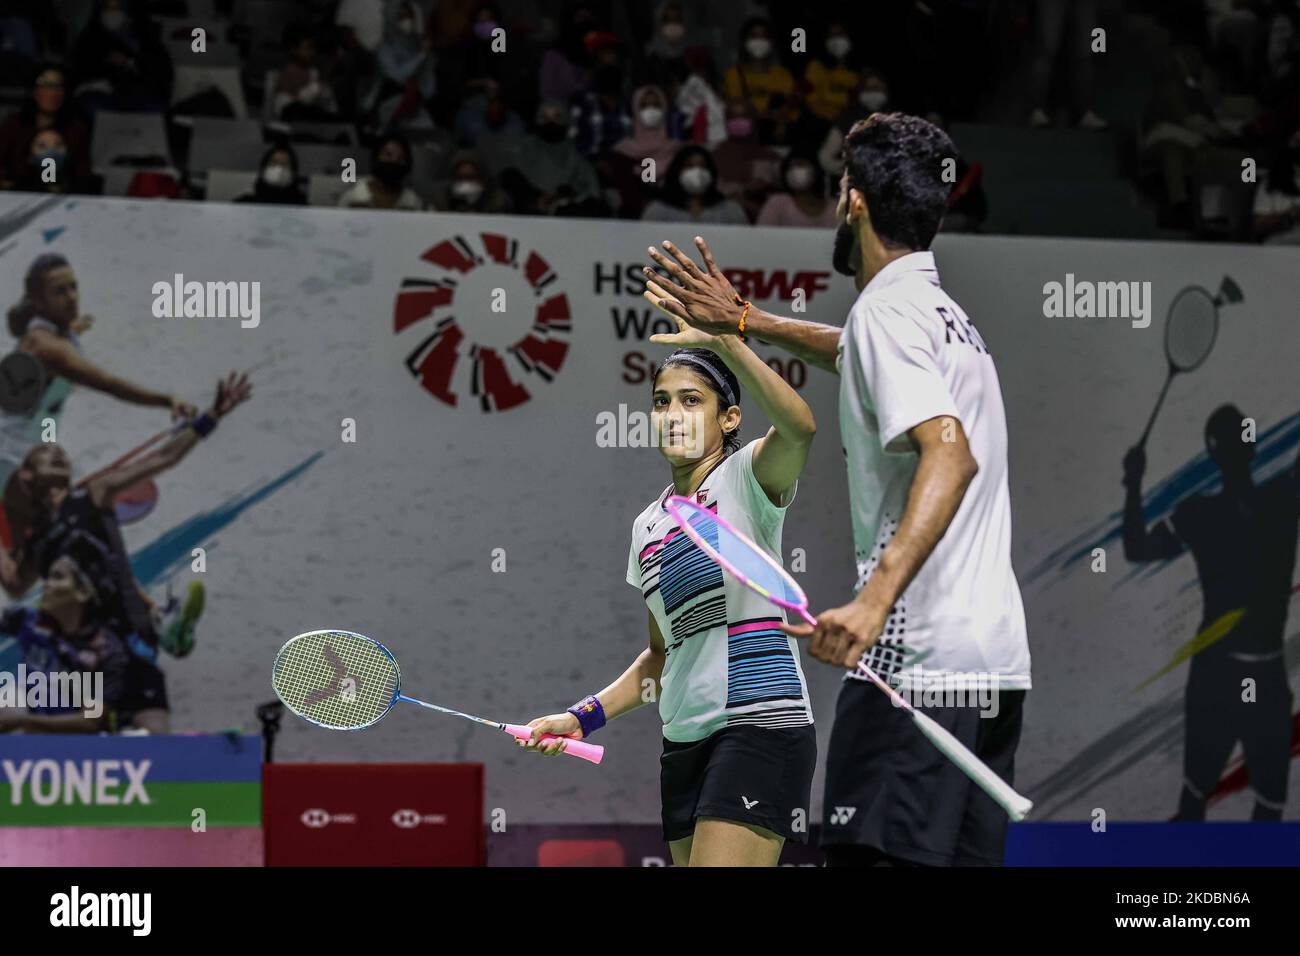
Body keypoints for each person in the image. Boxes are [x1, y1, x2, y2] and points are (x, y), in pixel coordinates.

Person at [642, 112, 1031, 867]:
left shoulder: (886, 311)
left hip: (913, 659)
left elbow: (949, 455)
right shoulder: (943, 317)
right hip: (992, 664)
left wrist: (873, 602)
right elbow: (852, 351)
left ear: (854, 202)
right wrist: (746, 321)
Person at [521, 334, 818, 867]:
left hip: (758, 724)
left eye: (691, 400)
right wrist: (581, 717)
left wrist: (729, 341)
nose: (672, 414)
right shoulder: (648, 526)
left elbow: (799, 426)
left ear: (729, 418)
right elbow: (661, 657)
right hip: (684, 739)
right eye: (662, 402)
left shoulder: (747, 478)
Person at [0, 372, 252, 734]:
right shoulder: (36, 542)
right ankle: (166, 623)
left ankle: (164, 622)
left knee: (154, 739)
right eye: (45, 456)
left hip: (128, 638)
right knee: (74, 737)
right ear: (27, 478)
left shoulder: (93, 494)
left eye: (58, 455)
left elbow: (163, 458)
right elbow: (13, 584)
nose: (56, 455)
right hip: (78, 658)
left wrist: (211, 417)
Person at [1122, 408, 1298, 820]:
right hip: (1265, 677)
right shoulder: (1283, 498)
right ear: (1251, 447)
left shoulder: (1198, 515)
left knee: (1195, 795)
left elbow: (1137, 548)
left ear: (1212, 454)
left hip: (1215, 674)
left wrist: (1133, 482)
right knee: (1268, 805)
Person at [0, 254, 196, 492]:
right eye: (60, 291)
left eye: (73, 287)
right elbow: (111, 384)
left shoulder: (42, 331)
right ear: (39, 301)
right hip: (12, 459)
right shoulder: (49, 348)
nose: (72, 297)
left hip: (35, 434)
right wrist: (167, 400)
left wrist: (74, 329)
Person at [0, 544, 129, 734]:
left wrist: (23, 721)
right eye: (48, 576)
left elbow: (91, 721)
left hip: (71, 742)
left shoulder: (105, 651)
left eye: (57, 577)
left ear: (82, 592)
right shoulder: (30, 621)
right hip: (28, 715)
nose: (46, 584)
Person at [0, 63, 92, 190]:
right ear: (34, 91)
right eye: (46, 86)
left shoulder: (75, 128)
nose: (52, 93)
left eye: (58, 87)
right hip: (17, 193)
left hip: (62, 195)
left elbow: (82, 173)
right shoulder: (14, 124)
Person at [642, 144, 747, 224]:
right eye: (689, 166)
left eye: (703, 166)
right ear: (677, 171)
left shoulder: (730, 210)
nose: (697, 172)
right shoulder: (658, 210)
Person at [337, 134, 424, 210]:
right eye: (388, 155)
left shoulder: (412, 202)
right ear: (375, 158)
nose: (394, 161)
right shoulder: (353, 197)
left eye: (400, 158)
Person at [756, 150, 839, 228]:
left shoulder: (835, 208)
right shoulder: (777, 204)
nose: (794, 171)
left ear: (815, 170)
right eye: (790, 167)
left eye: (800, 165)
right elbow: (761, 234)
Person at [235, 143, 307, 205]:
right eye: (274, 163)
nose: (279, 168)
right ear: (263, 169)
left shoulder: (304, 207)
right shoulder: (244, 203)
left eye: (284, 164)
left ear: (293, 173)